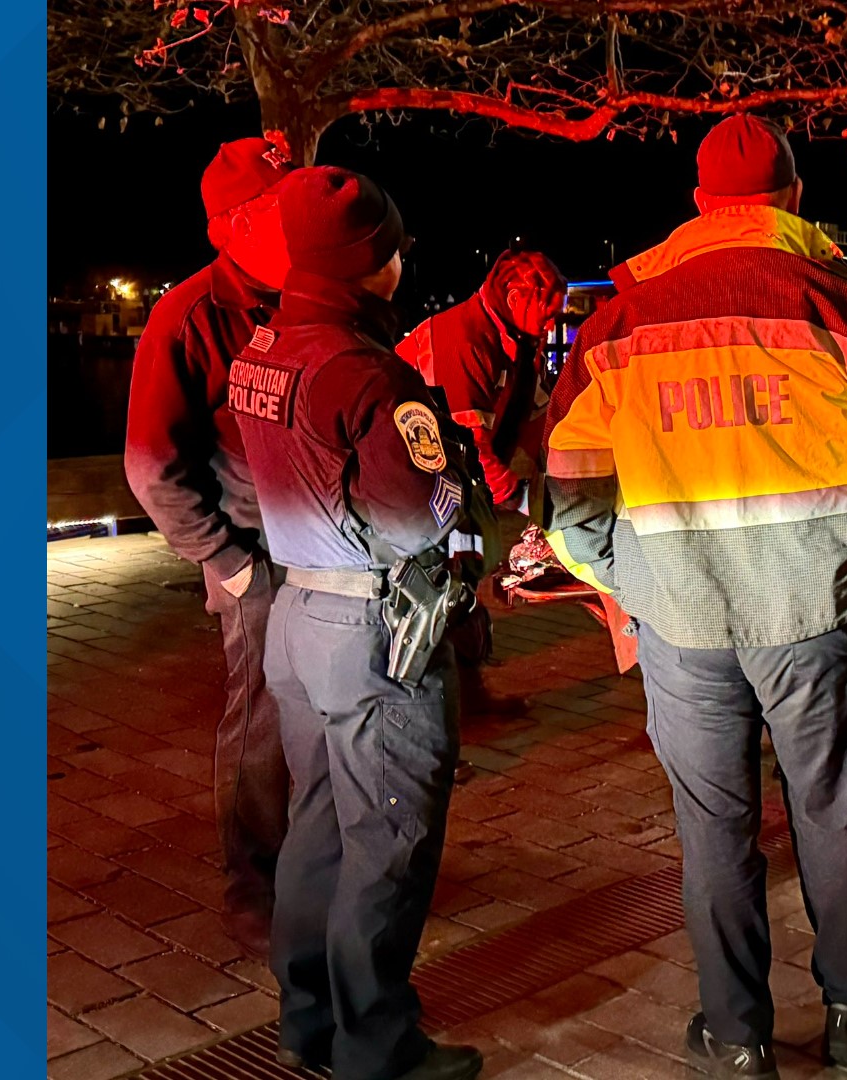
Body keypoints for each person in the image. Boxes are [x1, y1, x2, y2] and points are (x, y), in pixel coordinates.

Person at [544, 114, 847, 1079]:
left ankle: (735, 1035)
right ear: (795, 198)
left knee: (712, 828)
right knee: (831, 812)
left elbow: (567, 498)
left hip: (681, 622)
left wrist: (630, 584)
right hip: (816, 615)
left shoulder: (618, 324)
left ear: (699, 205)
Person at [231, 165, 488, 1080]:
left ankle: (307, 1017)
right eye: (395, 250)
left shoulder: (264, 350)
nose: (402, 265)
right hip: (374, 630)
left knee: (319, 825)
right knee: (388, 837)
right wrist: (455, 470)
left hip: (297, 616)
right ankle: (377, 1045)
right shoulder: (367, 371)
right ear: (368, 260)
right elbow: (418, 518)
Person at [123, 137, 295, 957]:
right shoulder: (187, 315)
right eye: (278, 208)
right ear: (232, 225)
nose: (297, 220)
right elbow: (150, 463)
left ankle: (318, 869)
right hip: (256, 555)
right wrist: (225, 563)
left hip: (328, 550)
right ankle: (254, 886)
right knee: (261, 722)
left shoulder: (309, 299)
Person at [396, 250, 566, 680]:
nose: (553, 325)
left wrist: (565, 472)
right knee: (447, 565)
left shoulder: (517, 341)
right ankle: (446, 668)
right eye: (547, 313)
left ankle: (461, 661)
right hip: (422, 484)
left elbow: (540, 421)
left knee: (467, 559)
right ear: (515, 298)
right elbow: (467, 443)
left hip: (447, 481)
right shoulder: (464, 340)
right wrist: (522, 498)